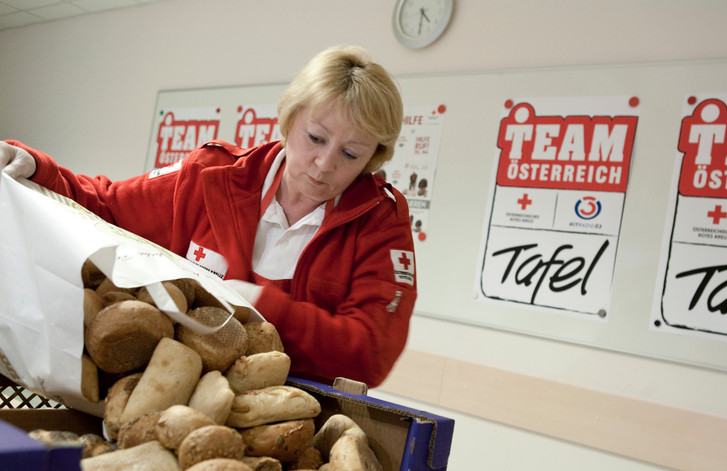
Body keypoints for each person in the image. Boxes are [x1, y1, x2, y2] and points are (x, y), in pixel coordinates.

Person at [0, 45, 416, 389]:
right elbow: (107, 206)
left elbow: (370, 353)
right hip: (168, 391)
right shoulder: (211, 175)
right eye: (315, 138)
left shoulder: (381, 222)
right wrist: (38, 169)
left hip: (291, 419)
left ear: (373, 159)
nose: (324, 164)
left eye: (350, 154)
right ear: (290, 120)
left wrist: (258, 306)